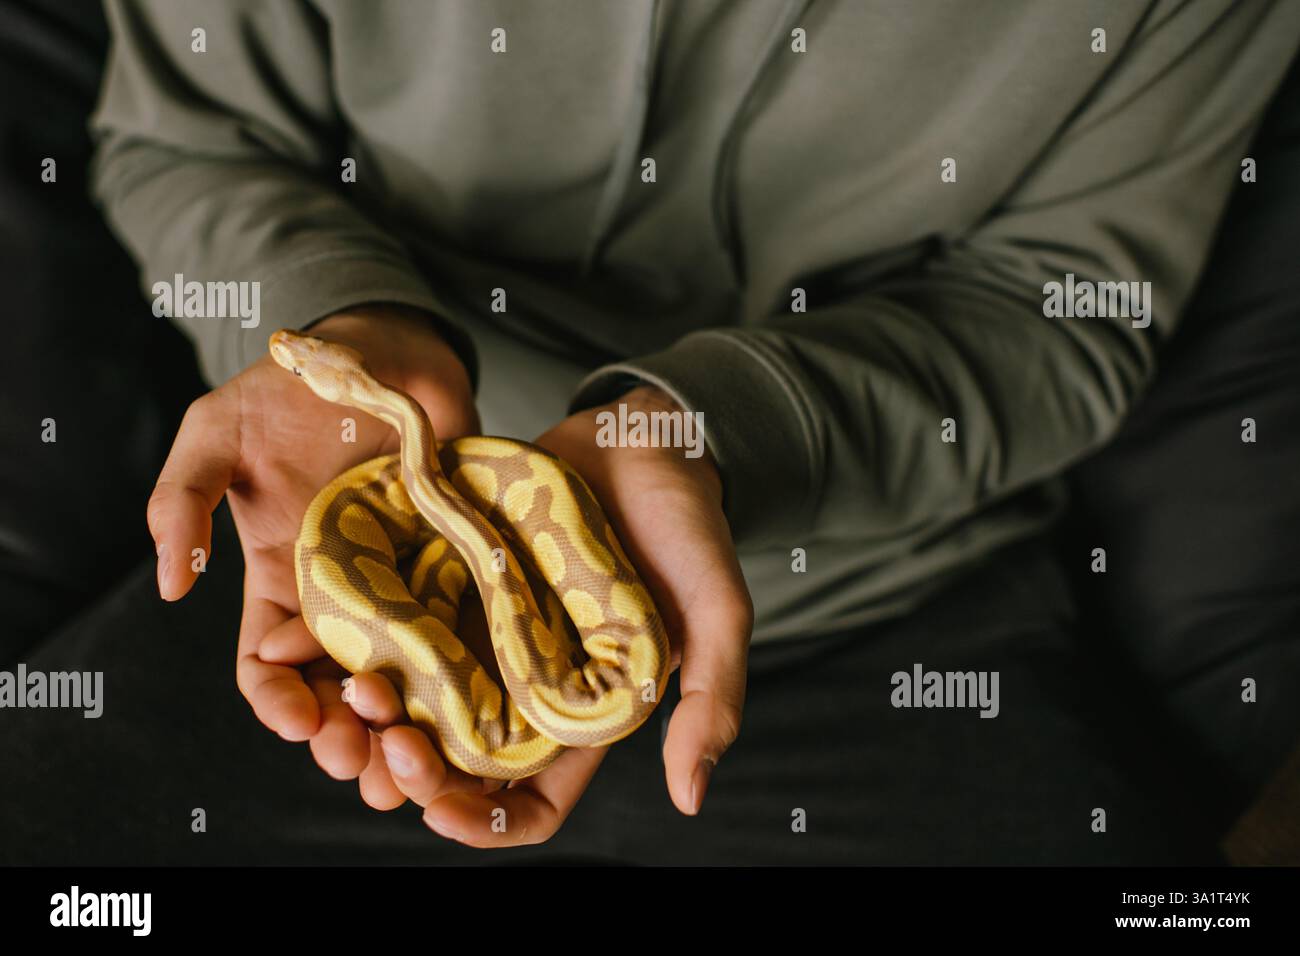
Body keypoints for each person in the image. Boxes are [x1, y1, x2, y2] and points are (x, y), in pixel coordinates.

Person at [66, 0, 1298, 859]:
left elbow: (1063, 313)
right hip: (303, 591)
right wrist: (331, 315)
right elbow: (185, 137)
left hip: (879, 602)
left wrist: (712, 427)